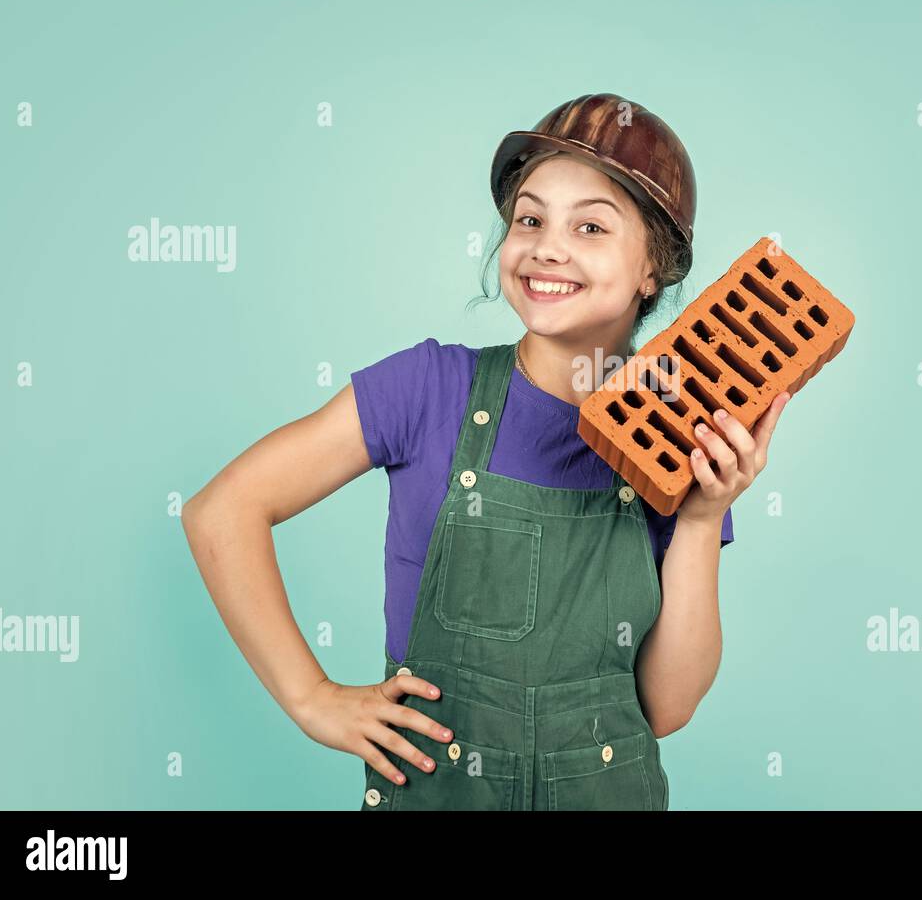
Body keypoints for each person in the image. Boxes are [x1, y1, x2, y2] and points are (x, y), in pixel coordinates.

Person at [182, 92, 791, 811]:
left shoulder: (682, 432)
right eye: (529, 219)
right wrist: (311, 697)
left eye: (590, 225)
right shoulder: (427, 389)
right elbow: (222, 511)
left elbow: (667, 705)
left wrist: (699, 516)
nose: (547, 247)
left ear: (652, 268)